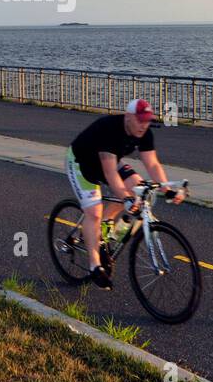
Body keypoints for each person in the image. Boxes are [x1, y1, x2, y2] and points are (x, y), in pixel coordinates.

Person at [66, 98, 184, 290]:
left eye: (147, 120)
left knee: (139, 190)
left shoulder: (144, 131)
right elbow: (110, 173)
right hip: (82, 164)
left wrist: (166, 189)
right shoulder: (110, 130)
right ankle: (95, 266)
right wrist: (125, 198)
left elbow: (152, 164)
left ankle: (105, 226)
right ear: (128, 117)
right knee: (94, 213)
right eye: (140, 120)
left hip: (110, 161)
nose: (143, 125)